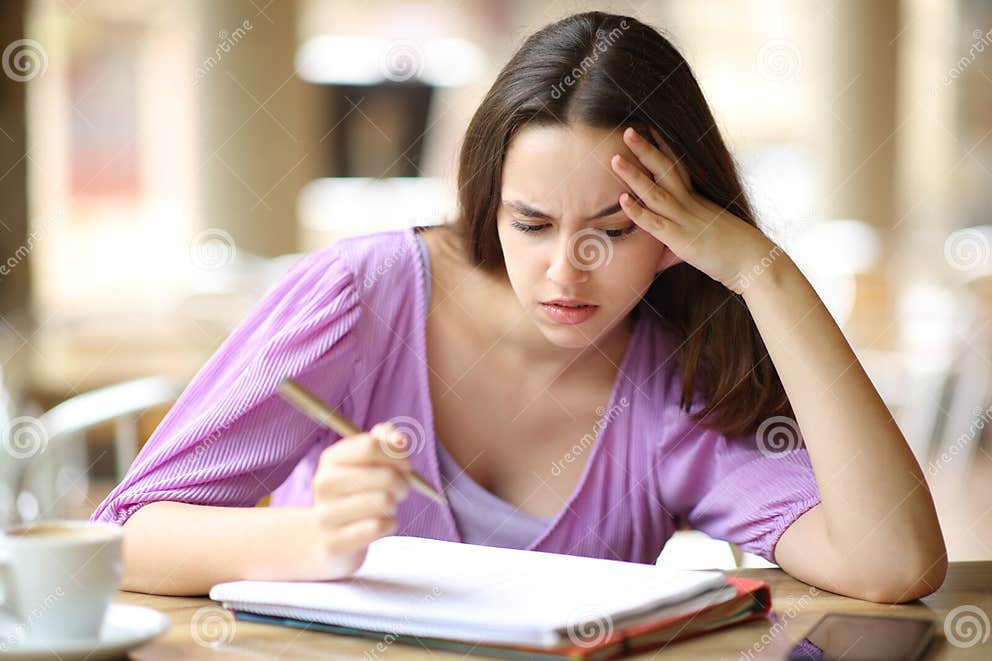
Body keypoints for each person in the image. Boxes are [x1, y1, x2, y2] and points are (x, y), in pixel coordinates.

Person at [92, 11, 946, 602]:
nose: (564, 272)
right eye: (531, 222)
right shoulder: (360, 299)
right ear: (487, 199)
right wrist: (308, 539)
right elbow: (120, 539)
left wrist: (765, 272)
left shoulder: (678, 384)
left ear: (681, 233)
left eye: (614, 230)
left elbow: (894, 561)